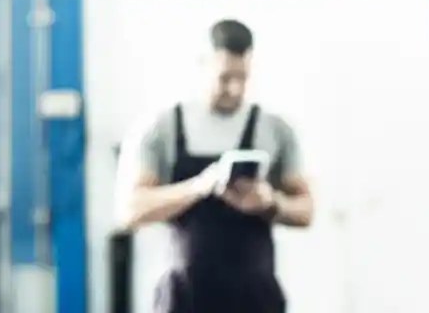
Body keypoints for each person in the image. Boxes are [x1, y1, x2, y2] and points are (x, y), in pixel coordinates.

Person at [118, 19, 314, 313]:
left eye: (242, 78)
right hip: (185, 299)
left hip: (255, 299)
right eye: (224, 78)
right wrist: (199, 186)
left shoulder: (275, 130)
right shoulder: (162, 129)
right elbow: (130, 211)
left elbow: (306, 209)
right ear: (202, 65)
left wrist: (270, 202)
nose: (234, 89)